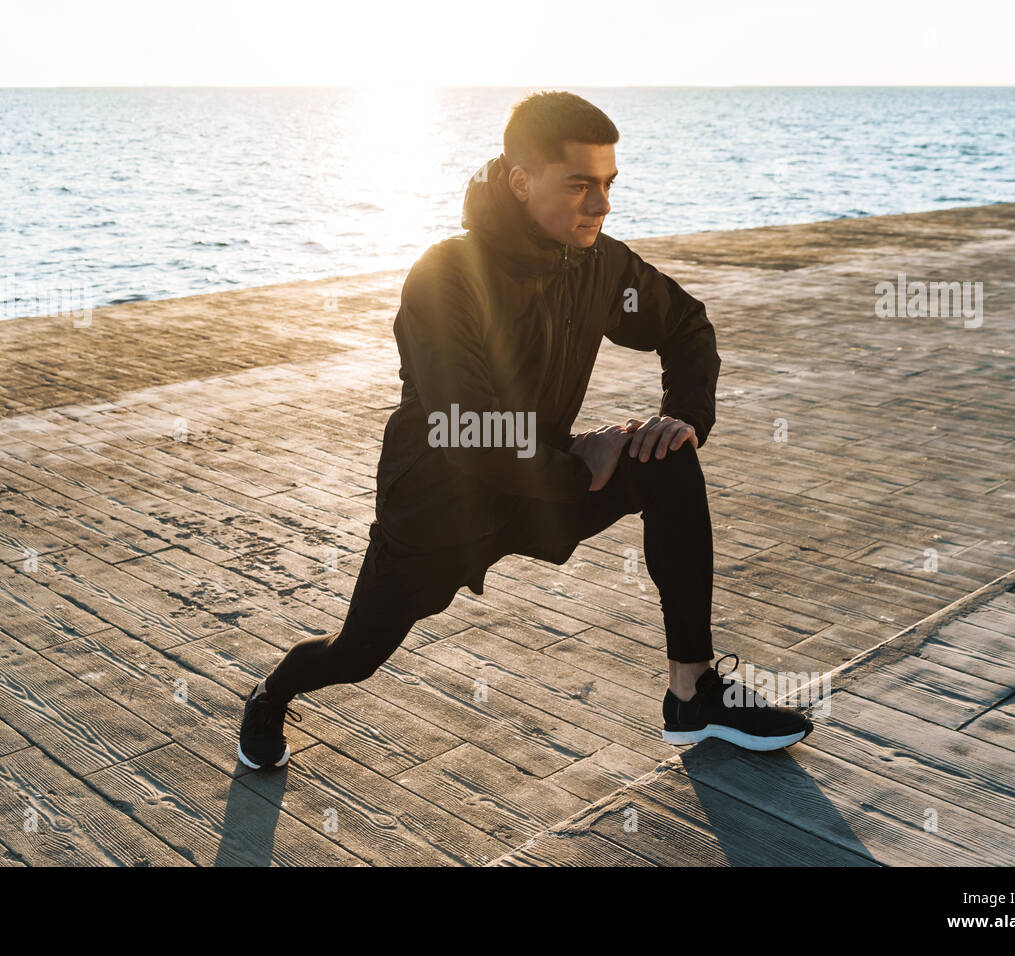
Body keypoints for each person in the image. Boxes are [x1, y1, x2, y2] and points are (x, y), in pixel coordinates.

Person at [238, 91, 812, 770]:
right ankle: (272, 694)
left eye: (607, 185)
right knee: (354, 654)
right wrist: (580, 467)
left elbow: (686, 325)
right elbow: (465, 425)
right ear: (520, 181)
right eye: (579, 186)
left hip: (545, 487)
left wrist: (683, 417)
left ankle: (692, 692)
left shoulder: (600, 266)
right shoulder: (445, 277)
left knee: (669, 458)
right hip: (437, 511)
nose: (601, 206)